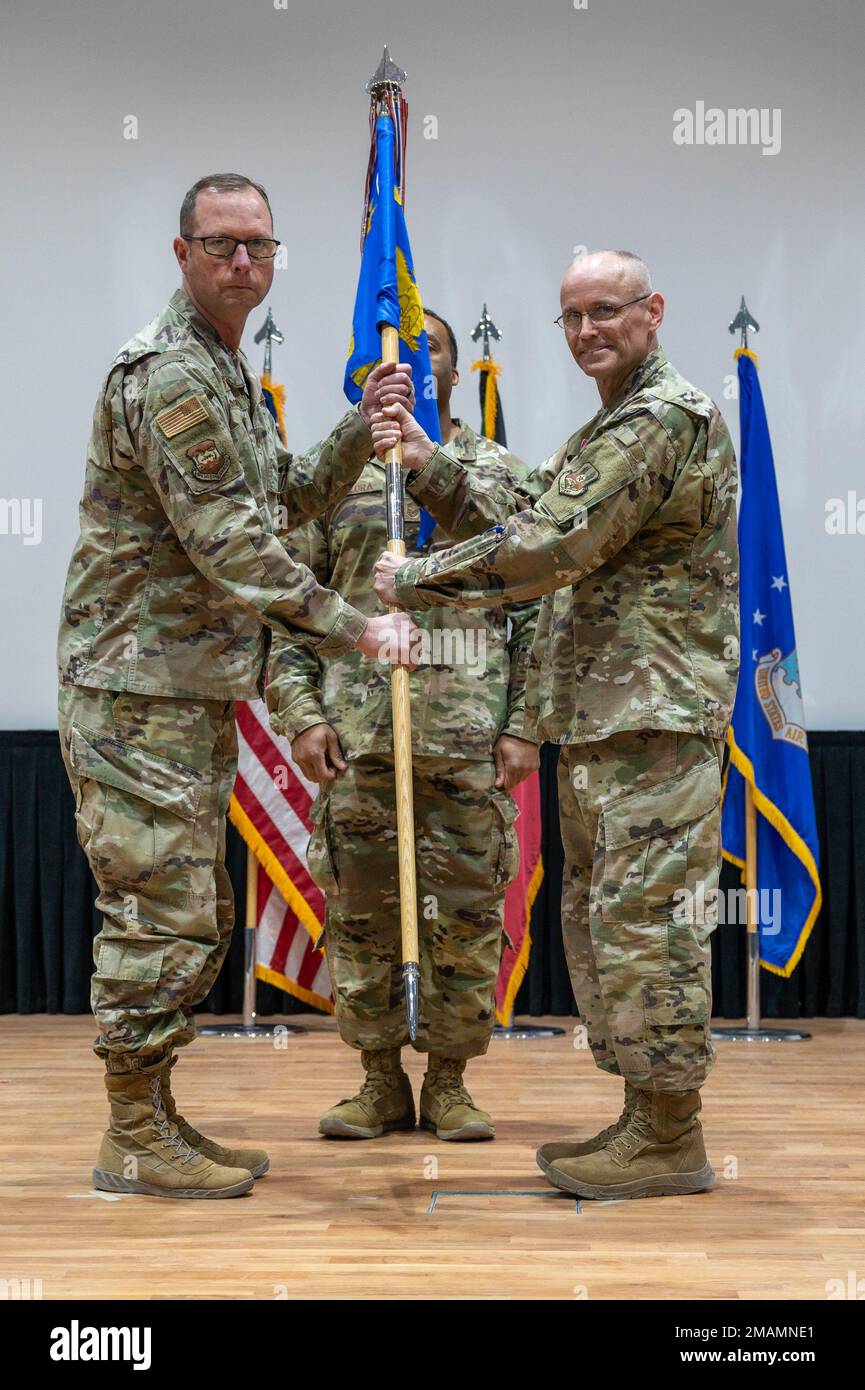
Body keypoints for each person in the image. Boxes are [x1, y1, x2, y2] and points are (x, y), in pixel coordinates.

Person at [57, 172, 417, 1199]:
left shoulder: (225, 373)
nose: (244, 263)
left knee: (189, 909)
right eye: (221, 245)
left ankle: (157, 1118)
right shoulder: (171, 374)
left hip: (181, 691)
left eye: (260, 244)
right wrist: (357, 628)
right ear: (183, 254)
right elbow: (236, 550)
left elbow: (286, 498)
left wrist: (360, 423)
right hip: (137, 696)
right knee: (158, 916)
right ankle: (130, 1134)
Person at [371, 251, 740, 1199]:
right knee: (604, 923)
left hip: (652, 722)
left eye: (606, 312)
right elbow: (532, 510)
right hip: (609, 721)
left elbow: (552, 545)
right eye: (570, 318)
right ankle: (644, 1119)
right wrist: (434, 467)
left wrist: (414, 580)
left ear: (652, 311)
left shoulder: (663, 417)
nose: (586, 333)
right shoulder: (610, 424)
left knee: (646, 927)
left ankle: (670, 1135)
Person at [267, 309, 540, 1141]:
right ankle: (379, 1080)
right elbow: (287, 609)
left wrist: (525, 723)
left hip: (467, 740)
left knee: (463, 920)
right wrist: (302, 714)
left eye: (430, 352)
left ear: (454, 374)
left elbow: (538, 607)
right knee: (362, 916)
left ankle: (450, 1082)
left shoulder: (496, 477)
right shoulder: (332, 481)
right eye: (397, 355)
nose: (413, 364)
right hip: (360, 738)